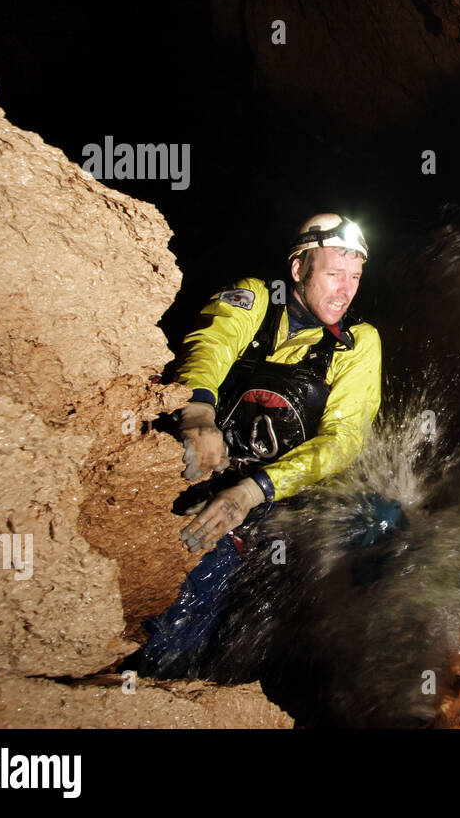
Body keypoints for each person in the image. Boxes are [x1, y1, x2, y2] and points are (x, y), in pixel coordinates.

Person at [132, 212, 389, 678]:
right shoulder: (254, 299)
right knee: (187, 595)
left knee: (383, 523)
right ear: (298, 269)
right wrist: (197, 409)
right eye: (333, 274)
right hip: (212, 468)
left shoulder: (357, 343)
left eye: (354, 277)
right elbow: (210, 344)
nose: (345, 290)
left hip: (281, 492)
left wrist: (253, 491)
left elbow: (343, 439)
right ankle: (159, 674)